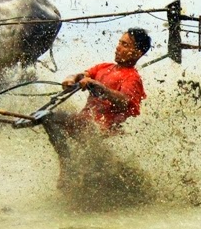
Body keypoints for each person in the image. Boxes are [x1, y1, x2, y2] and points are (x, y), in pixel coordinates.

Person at [41, 28, 152, 185]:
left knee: (52, 117)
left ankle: (69, 169)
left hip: (101, 130)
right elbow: (81, 75)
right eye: (119, 43)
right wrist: (70, 79)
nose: (118, 47)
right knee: (48, 118)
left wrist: (100, 87)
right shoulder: (104, 67)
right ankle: (66, 165)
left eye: (125, 45)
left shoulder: (132, 78)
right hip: (84, 123)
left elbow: (124, 101)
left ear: (138, 53)